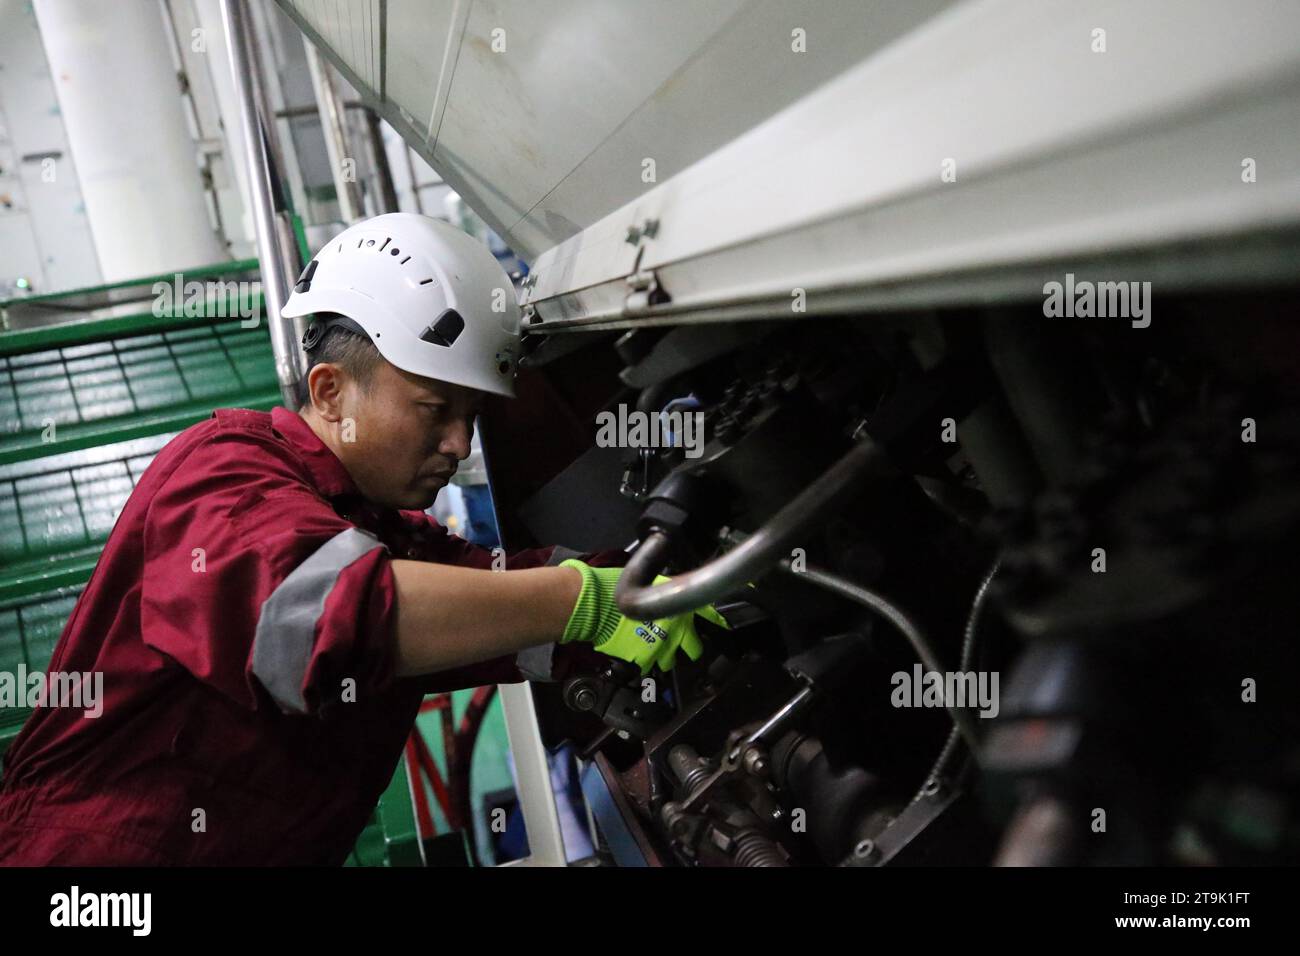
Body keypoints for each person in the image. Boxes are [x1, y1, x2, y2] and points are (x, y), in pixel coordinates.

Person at [0, 213, 725, 865]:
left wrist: (660, 588)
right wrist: (584, 602)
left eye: (471, 416)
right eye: (434, 409)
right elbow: (330, 616)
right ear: (329, 392)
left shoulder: (382, 532)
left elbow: (506, 598)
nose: (457, 443)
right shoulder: (222, 471)